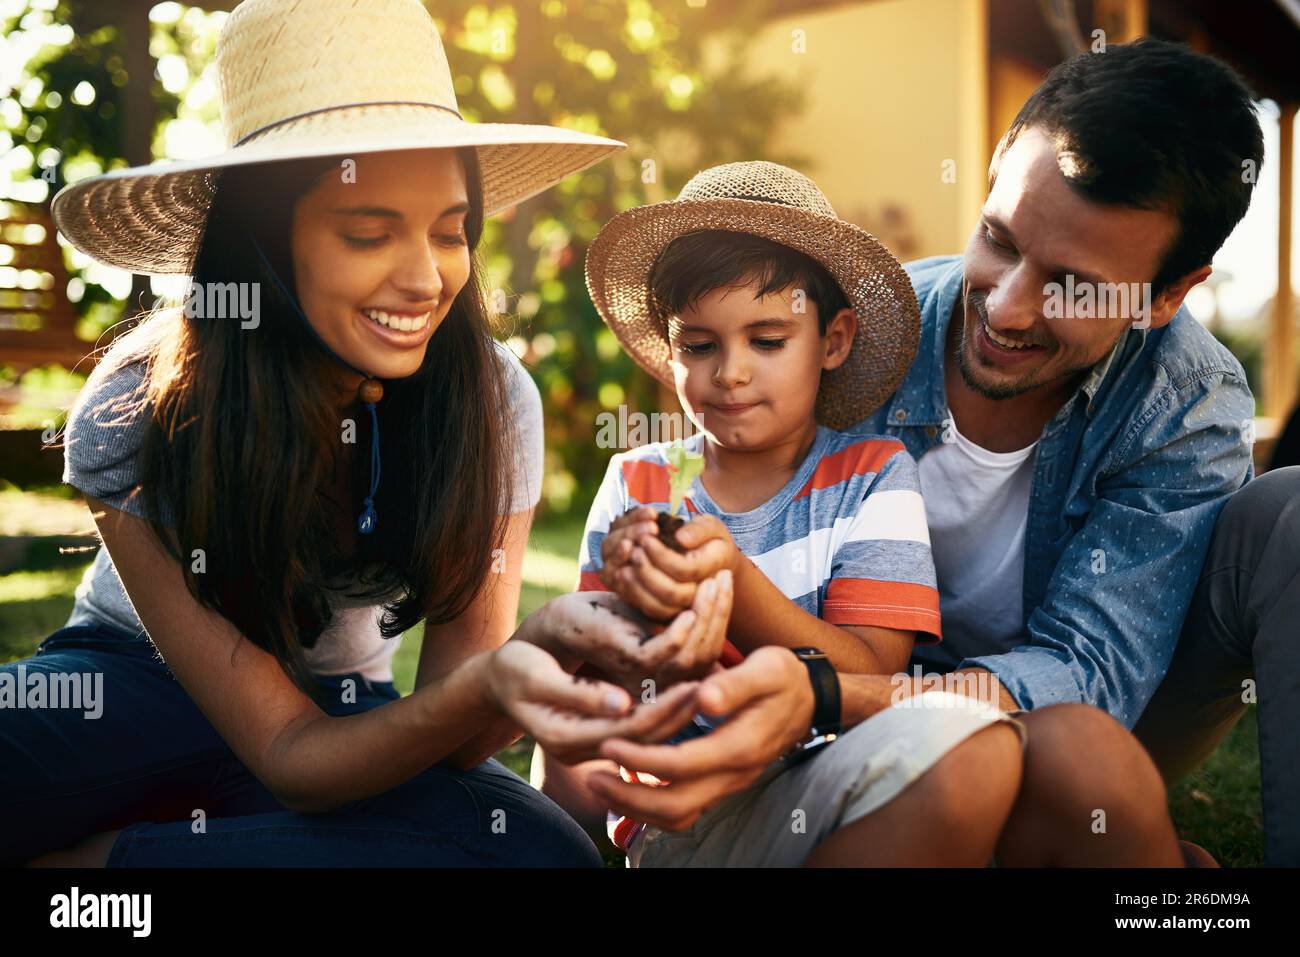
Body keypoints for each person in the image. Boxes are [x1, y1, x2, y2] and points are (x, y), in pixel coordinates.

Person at [0, 0, 718, 868]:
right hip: (128, 687)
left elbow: (436, 730)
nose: (425, 278)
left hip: (339, 712)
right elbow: (283, 757)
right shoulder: (135, 410)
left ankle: (88, 870)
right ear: (265, 242)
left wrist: (533, 654)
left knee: (534, 851)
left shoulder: (494, 402)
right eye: (368, 231)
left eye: (451, 231)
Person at [568, 39, 1272, 867]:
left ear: (1170, 294)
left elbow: (1088, 675)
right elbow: (586, 677)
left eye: (1071, 286)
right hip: (851, 741)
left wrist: (828, 692)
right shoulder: (850, 340)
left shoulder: (1188, 403)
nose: (1007, 309)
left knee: (1082, 755)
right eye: (1000, 240)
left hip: (1010, 712)